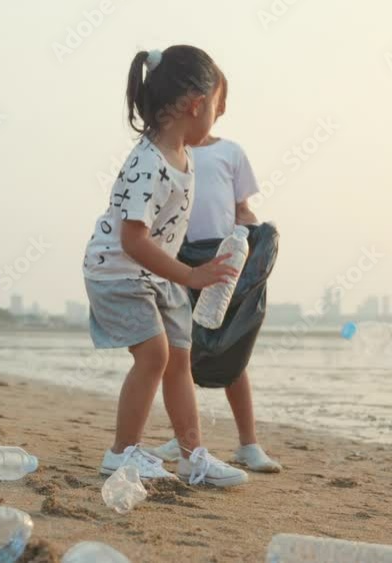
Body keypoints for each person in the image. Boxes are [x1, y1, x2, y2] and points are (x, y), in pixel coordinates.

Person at [82, 46, 248, 488]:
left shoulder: (183, 155)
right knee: (154, 355)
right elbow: (132, 239)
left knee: (179, 359)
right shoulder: (147, 162)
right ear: (196, 104)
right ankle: (120, 454)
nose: (216, 118)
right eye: (216, 107)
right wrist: (191, 275)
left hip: (157, 273)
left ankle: (194, 457)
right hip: (117, 270)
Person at [148, 76, 283, 473]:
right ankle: (183, 437)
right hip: (181, 261)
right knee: (179, 354)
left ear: (217, 106)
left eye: (217, 100)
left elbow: (242, 210)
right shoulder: (168, 154)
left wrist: (253, 241)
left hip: (223, 260)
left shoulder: (231, 153)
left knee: (233, 355)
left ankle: (248, 444)